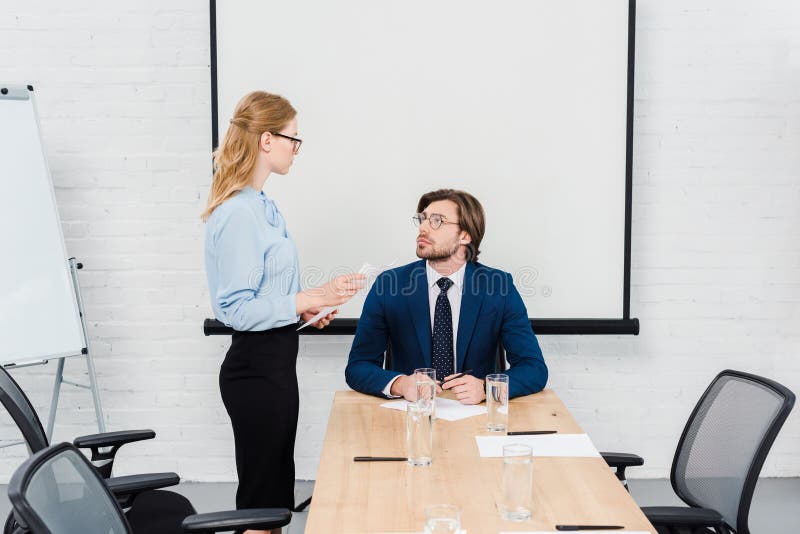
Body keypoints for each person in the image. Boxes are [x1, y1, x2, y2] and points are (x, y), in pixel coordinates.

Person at [203, 91, 364, 534]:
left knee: (273, 503)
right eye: (294, 138)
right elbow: (235, 308)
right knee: (260, 506)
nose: (297, 147)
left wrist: (310, 310)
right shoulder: (239, 213)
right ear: (266, 140)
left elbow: (268, 297)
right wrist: (308, 297)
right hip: (254, 373)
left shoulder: (264, 207)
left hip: (276, 367)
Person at [345, 189, 547, 404]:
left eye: (437, 221)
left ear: (465, 235)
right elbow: (359, 366)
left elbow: (533, 367)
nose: (423, 227)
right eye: (422, 219)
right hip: (411, 416)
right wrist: (400, 384)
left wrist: (487, 388)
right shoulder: (389, 285)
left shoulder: (499, 287)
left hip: (476, 419)